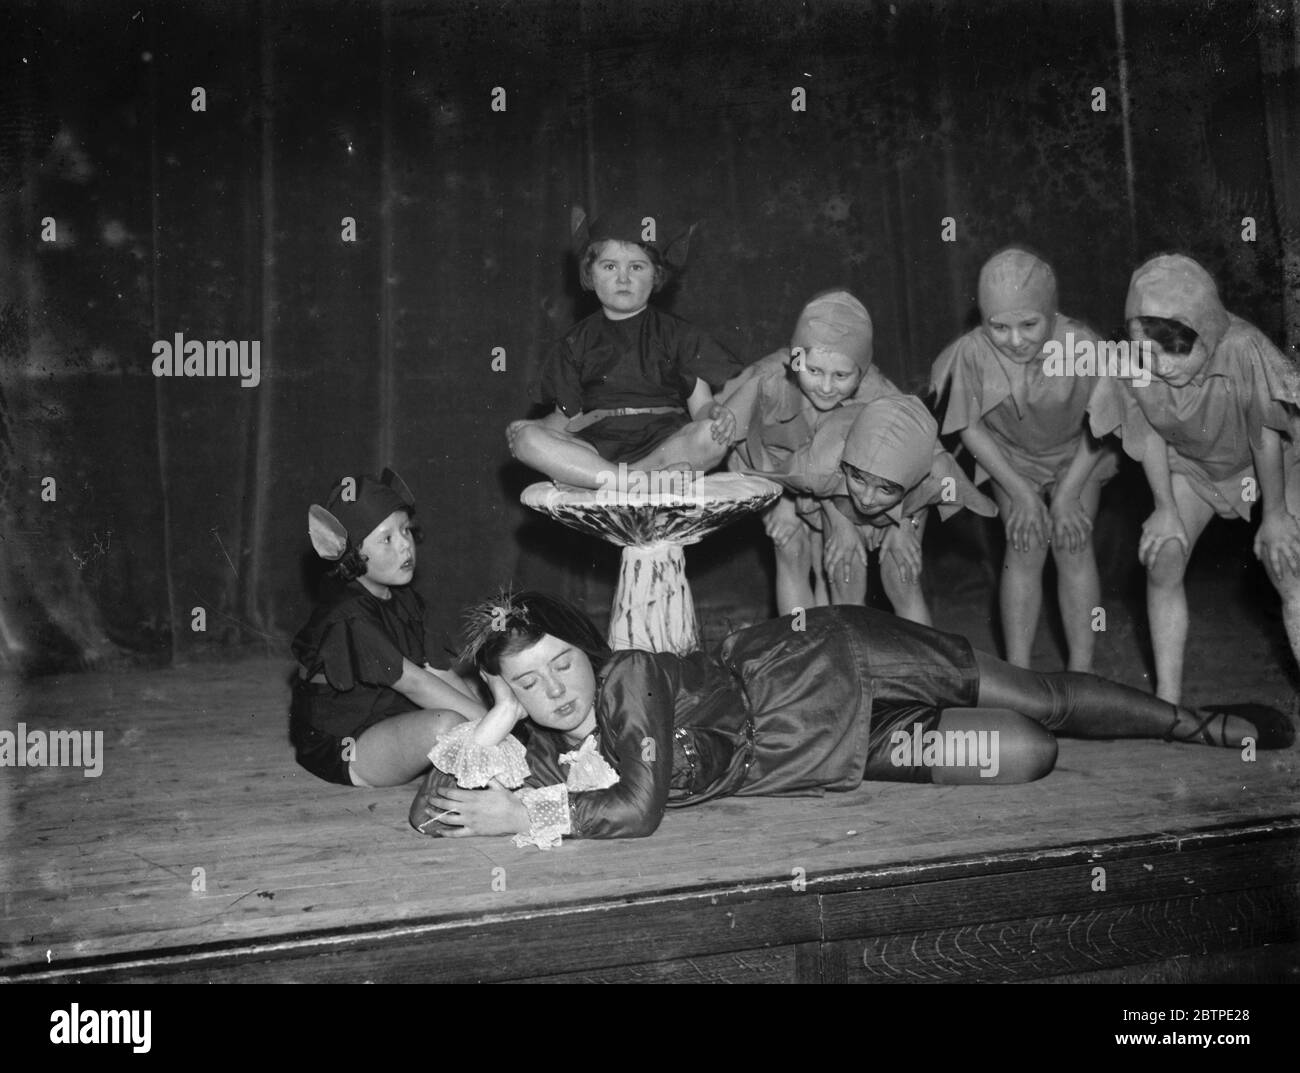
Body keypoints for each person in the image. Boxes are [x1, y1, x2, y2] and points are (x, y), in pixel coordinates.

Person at [407, 590, 1292, 844]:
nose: (556, 690)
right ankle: (1157, 729)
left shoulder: (629, 676)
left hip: (822, 661)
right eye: (528, 684)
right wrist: (488, 723)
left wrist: (521, 815)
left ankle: (1199, 725)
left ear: (590, 652)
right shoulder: (541, 750)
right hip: (828, 753)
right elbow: (429, 811)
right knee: (1030, 753)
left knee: (1035, 695)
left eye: (563, 662)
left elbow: (638, 811)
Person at [1088, 253, 1300, 704]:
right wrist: (1165, 509)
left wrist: (1277, 514)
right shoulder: (1134, 365)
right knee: (1163, 557)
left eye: (1175, 349)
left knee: (1288, 565)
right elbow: (1149, 440)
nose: (1161, 365)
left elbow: (1267, 437)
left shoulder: (1243, 348)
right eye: (1148, 351)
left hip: (1276, 459)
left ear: (1208, 331)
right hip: (1197, 467)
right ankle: (1167, 703)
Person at [931, 248, 1119, 671]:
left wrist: (1068, 495)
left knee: (1073, 542)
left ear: (1053, 314)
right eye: (998, 326)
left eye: (1029, 325)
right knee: (1024, 543)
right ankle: (1017, 672)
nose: (1014, 340)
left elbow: (1104, 427)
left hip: (1079, 454)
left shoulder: (1083, 346)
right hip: (1011, 458)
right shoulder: (972, 352)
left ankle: (1082, 671)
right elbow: (969, 428)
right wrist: (1023, 495)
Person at [507, 209, 741, 490]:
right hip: (596, 447)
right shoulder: (575, 341)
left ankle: (617, 481)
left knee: (709, 437)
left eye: (637, 267)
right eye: (609, 267)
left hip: (664, 447)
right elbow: (565, 417)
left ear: (656, 275)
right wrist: (536, 428)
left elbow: (701, 406)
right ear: (590, 275)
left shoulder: (680, 334)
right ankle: (634, 482)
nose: (623, 278)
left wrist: (716, 414)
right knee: (527, 439)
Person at [290, 469, 485, 788]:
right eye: (387, 539)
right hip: (344, 743)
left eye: (406, 531)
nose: (405, 547)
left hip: (386, 712)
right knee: (447, 723)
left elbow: (436, 670)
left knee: (474, 695)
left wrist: (490, 721)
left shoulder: (406, 599)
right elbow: (416, 684)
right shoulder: (348, 616)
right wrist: (496, 730)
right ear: (351, 553)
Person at [719, 289, 900, 612]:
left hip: (839, 489)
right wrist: (779, 501)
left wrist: (904, 528)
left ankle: (844, 647)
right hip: (775, 477)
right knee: (790, 543)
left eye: (841, 375)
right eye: (814, 371)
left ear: (862, 370)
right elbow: (730, 438)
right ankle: (801, 647)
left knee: (845, 557)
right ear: (796, 358)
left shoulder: (879, 397)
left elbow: (921, 463)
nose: (827, 387)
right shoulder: (769, 380)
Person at [751, 394, 996, 624]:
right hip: (836, 498)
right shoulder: (819, 464)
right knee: (844, 570)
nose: (867, 499)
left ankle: (923, 665)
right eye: (859, 480)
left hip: (905, 505)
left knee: (902, 575)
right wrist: (839, 525)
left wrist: (907, 525)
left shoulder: (938, 475)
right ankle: (844, 659)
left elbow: (937, 495)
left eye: (884, 489)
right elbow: (778, 477)